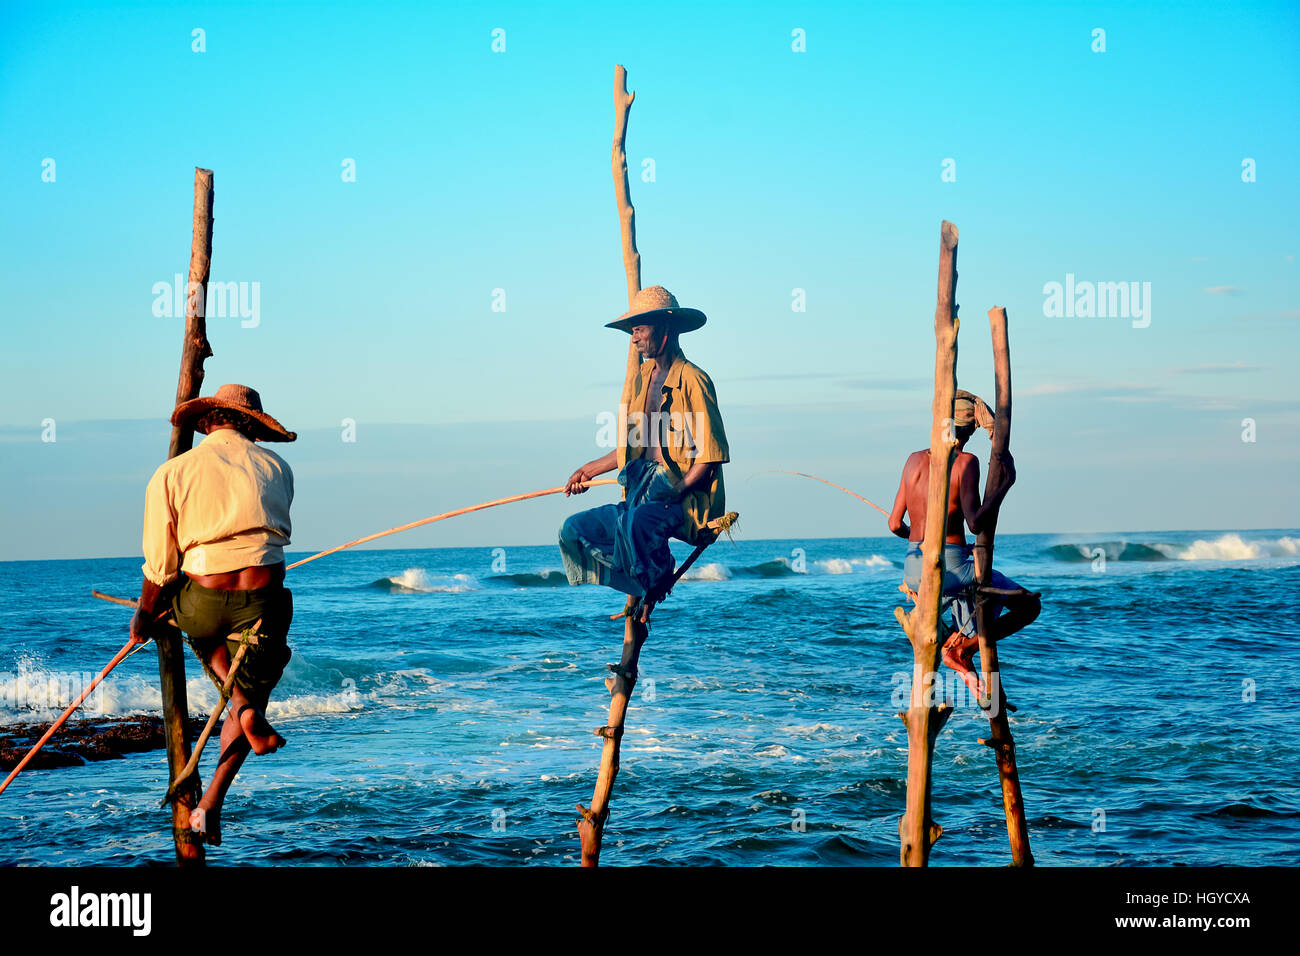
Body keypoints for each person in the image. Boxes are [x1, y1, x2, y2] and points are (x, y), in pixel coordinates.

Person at [130, 384, 296, 845]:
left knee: (199, 630)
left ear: (207, 423)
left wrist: (144, 615)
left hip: (203, 605)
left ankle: (240, 708)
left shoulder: (173, 471)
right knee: (250, 691)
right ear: (255, 427)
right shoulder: (278, 468)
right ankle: (213, 799)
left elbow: (161, 568)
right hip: (263, 604)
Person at [559, 286, 729, 621]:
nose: (634, 338)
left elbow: (709, 458)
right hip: (639, 492)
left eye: (640, 329)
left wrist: (672, 496)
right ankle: (644, 579)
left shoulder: (695, 380)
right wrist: (592, 468)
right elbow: (635, 444)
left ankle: (653, 572)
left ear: (665, 328)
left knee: (636, 523)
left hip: (682, 497)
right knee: (573, 531)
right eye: (632, 331)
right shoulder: (642, 377)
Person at [887, 389, 1040, 697]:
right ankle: (962, 649)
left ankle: (957, 646)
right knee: (1029, 605)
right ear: (970, 429)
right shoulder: (965, 462)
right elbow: (974, 522)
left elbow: (894, 525)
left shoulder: (913, 460)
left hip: (913, 568)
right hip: (950, 571)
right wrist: (1006, 484)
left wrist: (924, 539)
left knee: (968, 587)